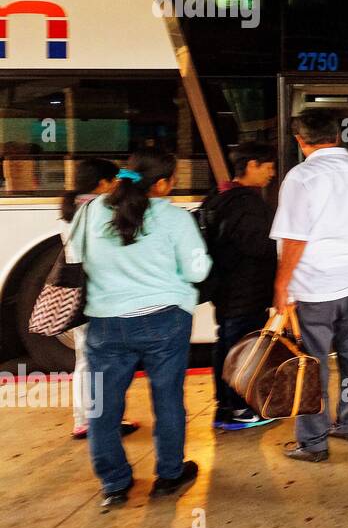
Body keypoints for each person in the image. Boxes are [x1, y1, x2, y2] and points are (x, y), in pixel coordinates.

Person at [68, 151, 212, 508]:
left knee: (103, 406)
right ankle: (169, 474)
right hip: (164, 320)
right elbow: (197, 272)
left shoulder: (90, 210)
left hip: (105, 322)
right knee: (167, 399)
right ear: (163, 183)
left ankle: (114, 484)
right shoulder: (176, 219)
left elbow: (75, 257)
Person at [271, 111, 348, 461]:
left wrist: (281, 285)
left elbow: (294, 238)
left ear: (300, 140)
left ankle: (314, 442)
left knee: (311, 364)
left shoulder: (302, 177)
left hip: (316, 287)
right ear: (337, 136)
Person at [200, 142, 277, 430]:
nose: (271, 174)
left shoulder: (219, 197)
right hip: (246, 290)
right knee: (241, 349)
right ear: (251, 165)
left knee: (226, 345)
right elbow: (257, 246)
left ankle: (224, 406)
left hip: (225, 290)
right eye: (267, 168)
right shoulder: (247, 203)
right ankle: (240, 408)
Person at [62, 157, 139, 441]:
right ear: (102, 183)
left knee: (90, 359)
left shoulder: (75, 208)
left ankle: (96, 418)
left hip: (87, 295)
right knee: (91, 360)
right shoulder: (93, 211)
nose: (117, 185)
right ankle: (88, 420)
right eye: (114, 180)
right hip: (95, 297)